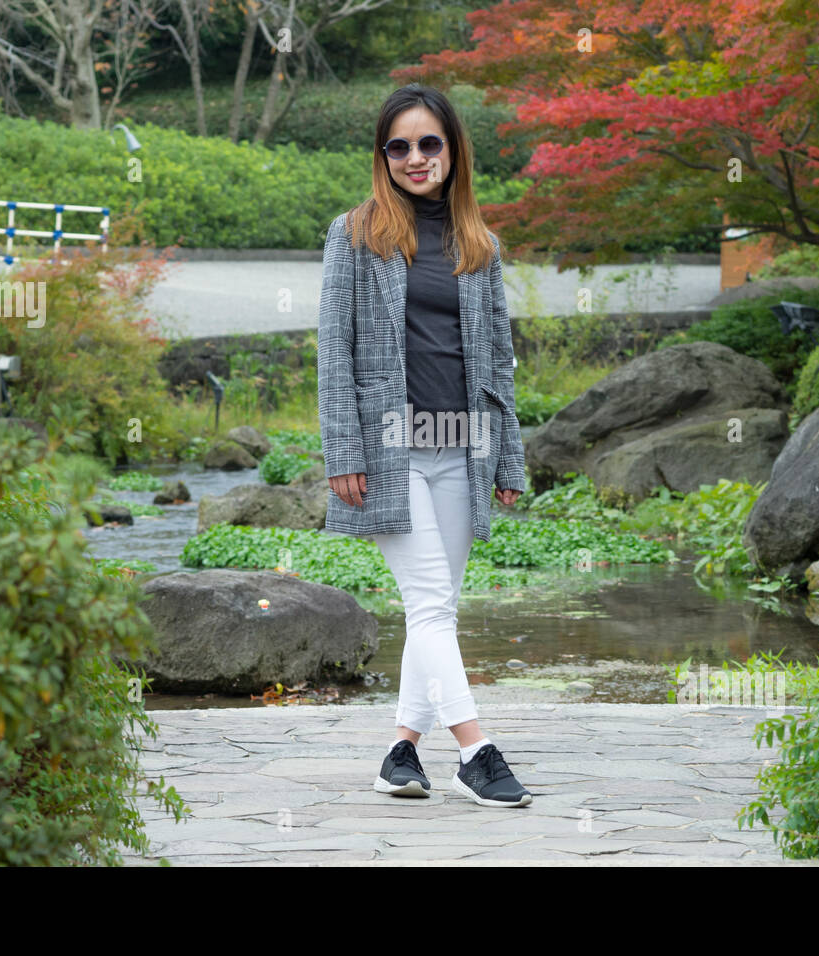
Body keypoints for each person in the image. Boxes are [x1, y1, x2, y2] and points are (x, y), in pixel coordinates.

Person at [317, 83, 532, 808]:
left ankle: (401, 751)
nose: (415, 157)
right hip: (388, 448)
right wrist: (342, 451)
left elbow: (498, 359)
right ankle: (478, 752)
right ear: (384, 156)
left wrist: (508, 456)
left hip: (464, 446)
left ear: (452, 151)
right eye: (399, 145)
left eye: (429, 143)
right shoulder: (354, 236)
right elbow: (334, 353)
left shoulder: (481, 245)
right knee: (434, 605)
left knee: (434, 607)